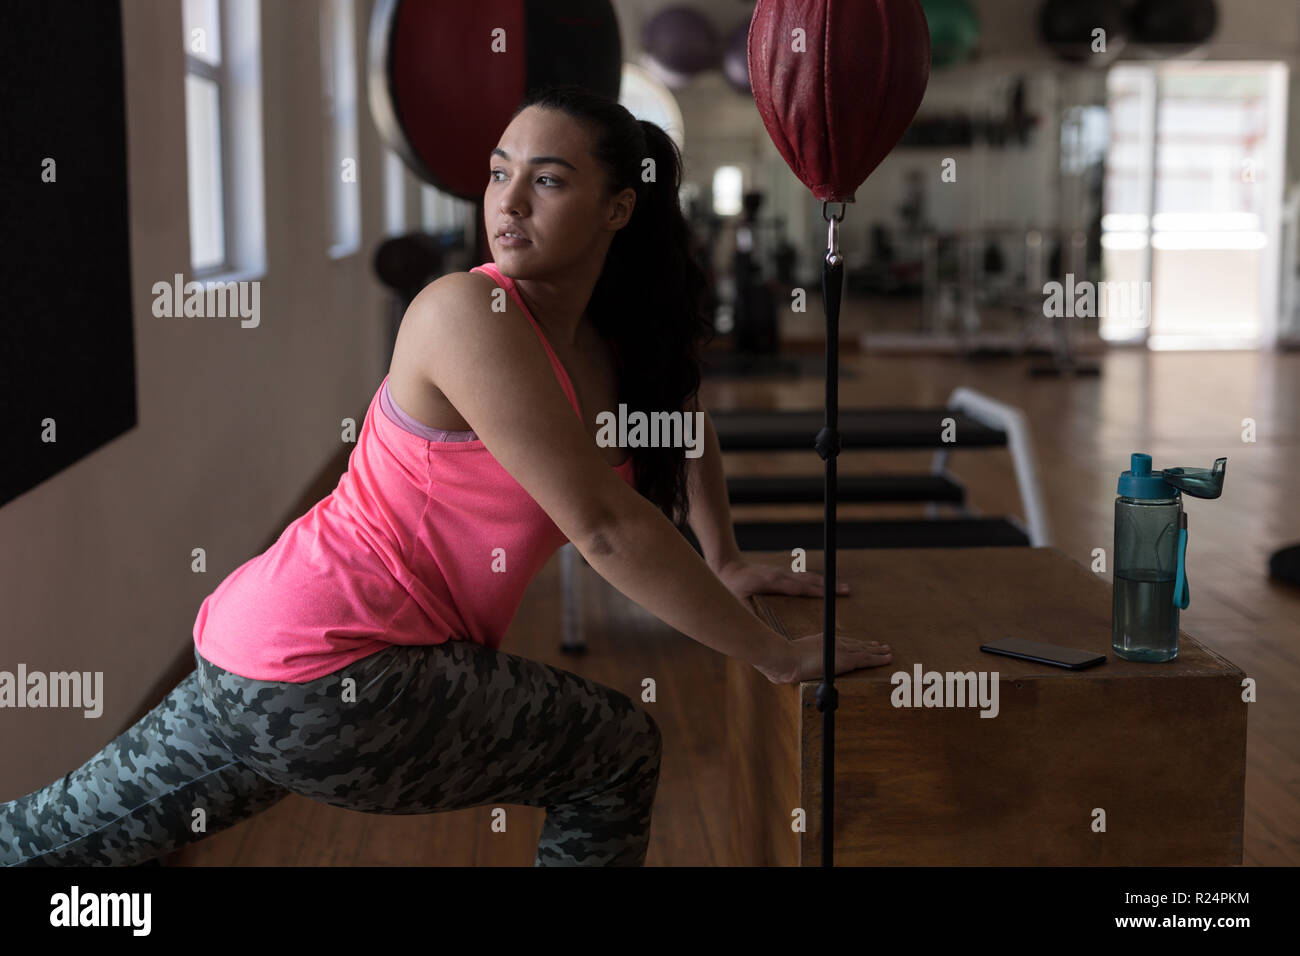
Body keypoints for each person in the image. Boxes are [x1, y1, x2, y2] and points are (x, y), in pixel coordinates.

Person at [0, 84, 892, 868]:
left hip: (269, 659)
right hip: (331, 667)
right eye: (499, 172)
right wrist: (770, 653)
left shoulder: (613, 341)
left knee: (42, 839)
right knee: (619, 753)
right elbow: (607, 527)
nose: (506, 202)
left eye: (547, 179)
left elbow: (680, 413)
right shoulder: (465, 311)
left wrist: (725, 555)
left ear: (619, 209)